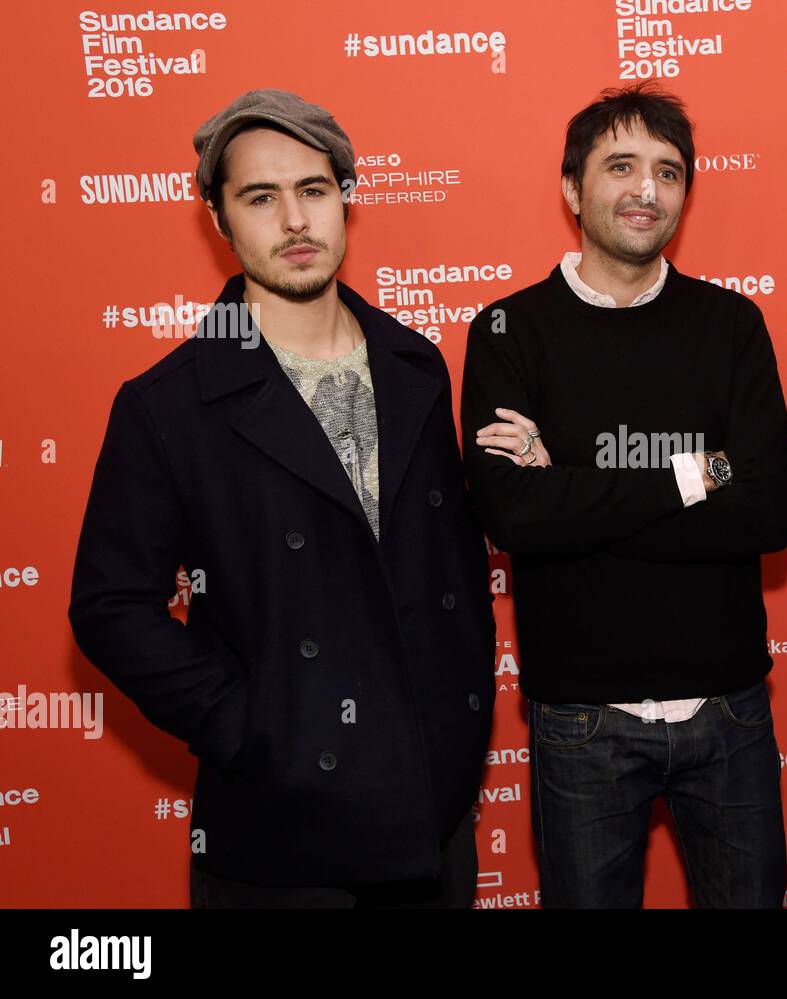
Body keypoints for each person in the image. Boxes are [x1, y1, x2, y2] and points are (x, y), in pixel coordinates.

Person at [68, 88, 495, 908]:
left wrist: (460, 711)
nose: (295, 220)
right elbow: (111, 605)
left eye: (314, 189)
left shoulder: (416, 367)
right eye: (261, 197)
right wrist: (248, 723)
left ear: (345, 199)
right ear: (220, 221)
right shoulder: (169, 402)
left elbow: (451, 567)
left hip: (432, 819)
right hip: (282, 837)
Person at [460, 83, 787, 908]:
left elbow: (764, 511)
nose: (647, 190)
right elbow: (512, 516)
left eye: (668, 172)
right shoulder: (507, 331)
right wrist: (697, 472)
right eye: (621, 166)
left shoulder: (732, 325)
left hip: (730, 712)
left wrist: (570, 492)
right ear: (572, 188)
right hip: (581, 721)